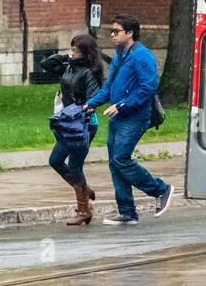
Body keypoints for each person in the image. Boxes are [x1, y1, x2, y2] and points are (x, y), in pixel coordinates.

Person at [85, 14, 173, 225]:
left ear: (130, 33)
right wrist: (90, 104)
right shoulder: (118, 57)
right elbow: (108, 88)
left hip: (135, 117)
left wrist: (123, 105)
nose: (112, 35)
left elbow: (148, 88)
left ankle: (161, 189)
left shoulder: (142, 57)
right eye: (111, 31)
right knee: (115, 164)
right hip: (118, 117)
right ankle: (127, 212)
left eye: (116, 31)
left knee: (121, 159)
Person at [41, 34, 104, 225]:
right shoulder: (70, 66)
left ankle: (84, 209)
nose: (72, 52)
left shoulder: (89, 72)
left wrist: (80, 108)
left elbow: (94, 97)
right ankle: (84, 190)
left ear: (86, 53)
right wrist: (63, 57)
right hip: (67, 122)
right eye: (71, 49)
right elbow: (46, 65)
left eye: (76, 50)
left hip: (83, 123)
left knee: (75, 165)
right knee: (56, 160)